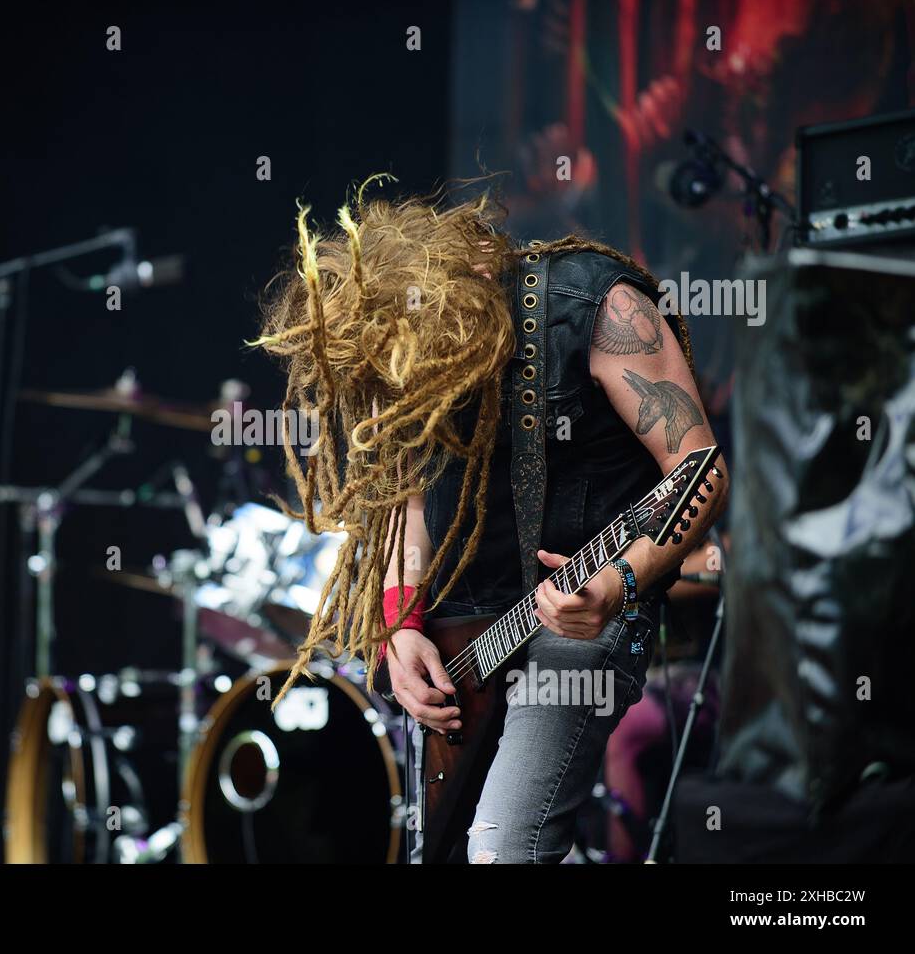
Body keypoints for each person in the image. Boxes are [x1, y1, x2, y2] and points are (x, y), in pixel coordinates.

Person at [254, 181, 728, 863]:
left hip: (585, 607)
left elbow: (701, 469)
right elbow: (408, 500)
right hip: (464, 636)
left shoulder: (597, 306)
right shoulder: (410, 352)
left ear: (473, 272)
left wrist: (620, 581)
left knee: (506, 850)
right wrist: (401, 621)